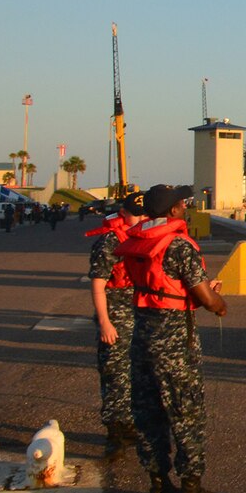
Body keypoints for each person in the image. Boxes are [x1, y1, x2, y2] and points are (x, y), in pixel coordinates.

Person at [117, 183, 229, 493]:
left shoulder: (136, 241)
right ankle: (191, 490)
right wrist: (219, 303)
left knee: (149, 413)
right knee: (186, 413)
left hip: (142, 338)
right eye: (181, 202)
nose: (185, 205)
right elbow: (205, 298)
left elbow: (159, 283)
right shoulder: (179, 245)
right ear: (173, 211)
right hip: (176, 343)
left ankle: (158, 488)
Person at [86, 190, 145, 455]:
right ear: (123, 213)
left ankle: (130, 424)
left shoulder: (144, 238)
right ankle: (115, 432)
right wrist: (105, 322)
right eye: (136, 214)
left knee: (137, 375)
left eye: (146, 214)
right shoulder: (110, 241)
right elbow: (98, 284)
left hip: (140, 314)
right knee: (114, 374)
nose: (142, 218)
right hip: (115, 315)